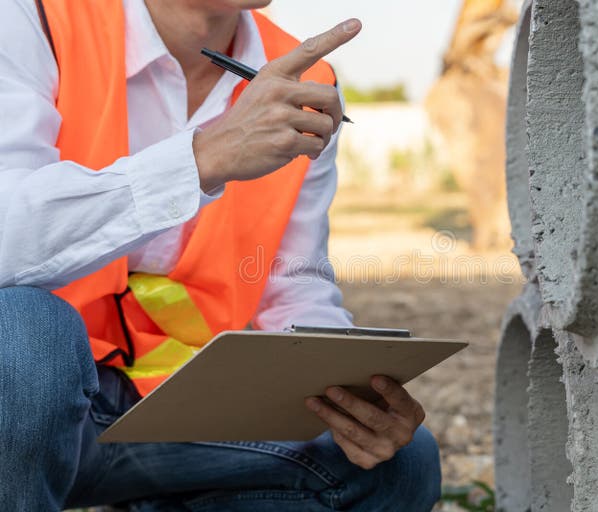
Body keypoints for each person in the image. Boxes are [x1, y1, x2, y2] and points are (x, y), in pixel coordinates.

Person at [0, 0, 441, 510]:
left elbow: (293, 290)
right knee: (24, 332)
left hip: (171, 413)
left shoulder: (303, 79)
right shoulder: (35, 18)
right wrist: (203, 159)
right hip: (27, 401)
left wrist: (353, 395)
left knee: (398, 461)